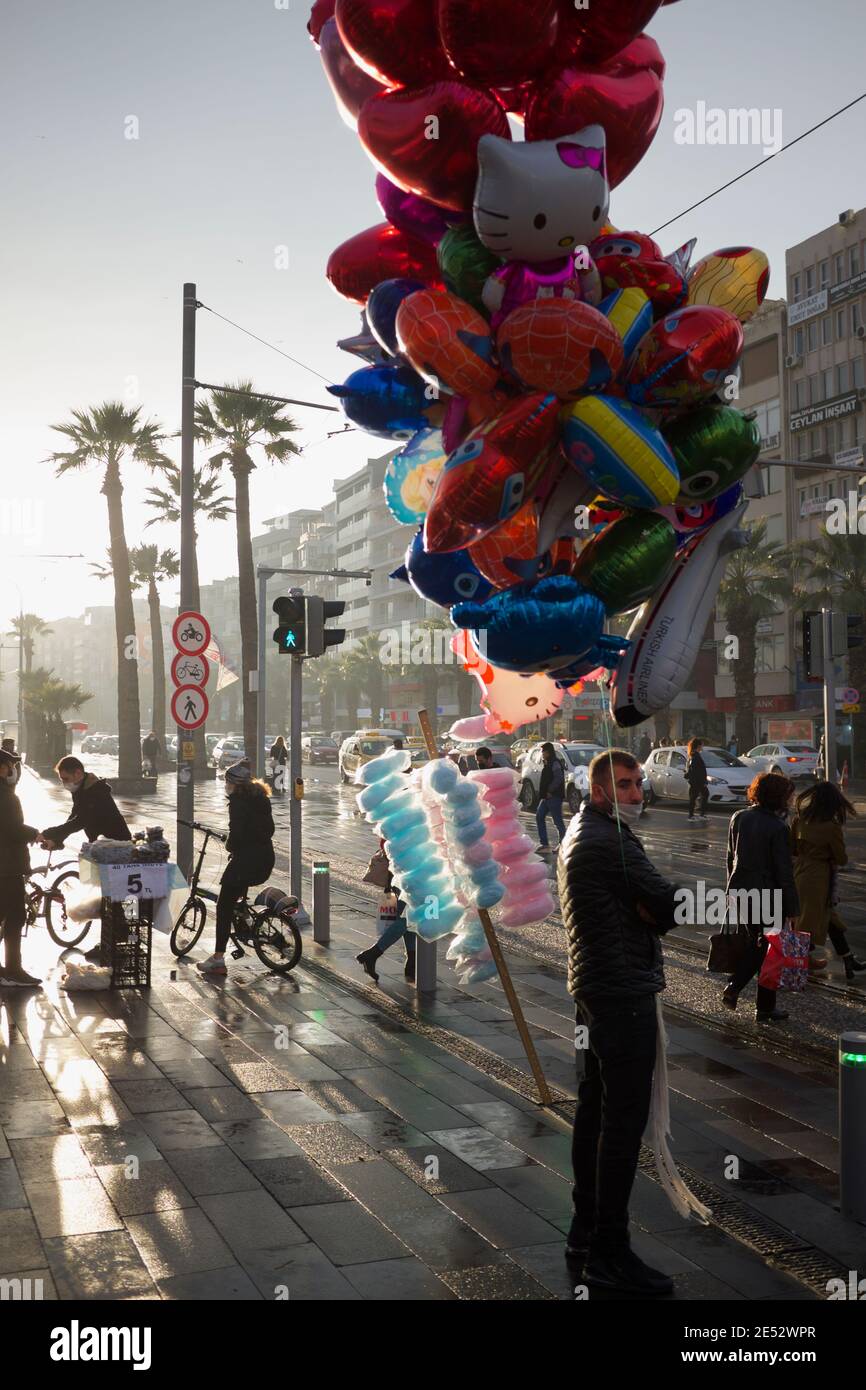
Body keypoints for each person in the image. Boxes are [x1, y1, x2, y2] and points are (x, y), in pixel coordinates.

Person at [559, 749, 680, 1297]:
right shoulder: (611, 842)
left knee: (594, 1112)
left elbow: (651, 904)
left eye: (639, 784)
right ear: (602, 790)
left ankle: (584, 1234)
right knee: (619, 1124)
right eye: (628, 786)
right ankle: (609, 1252)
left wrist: (647, 907)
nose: (638, 794)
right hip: (621, 995)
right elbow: (667, 903)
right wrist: (651, 908)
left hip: (592, 991)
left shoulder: (580, 830)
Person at [722, 772, 799, 1023]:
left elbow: (730, 858)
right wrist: (793, 907)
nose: (790, 800)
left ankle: (746, 994)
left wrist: (729, 890)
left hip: (742, 890)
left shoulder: (739, 817)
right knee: (769, 949)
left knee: (756, 943)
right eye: (788, 795)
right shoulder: (778, 827)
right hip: (769, 894)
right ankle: (752, 998)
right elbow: (784, 871)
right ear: (778, 797)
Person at [197, 761, 275, 978]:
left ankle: (218, 959)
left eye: (227, 781)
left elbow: (237, 833)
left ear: (234, 784)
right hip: (265, 858)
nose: (225, 785)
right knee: (235, 894)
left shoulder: (238, 802)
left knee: (223, 906)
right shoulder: (261, 798)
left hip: (247, 861)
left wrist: (230, 845)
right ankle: (243, 922)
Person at [790, 782, 866, 981]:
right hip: (819, 876)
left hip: (800, 872)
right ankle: (797, 965)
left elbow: (793, 849)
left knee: (828, 918)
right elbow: (841, 858)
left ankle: (848, 959)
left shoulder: (800, 819)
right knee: (809, 922)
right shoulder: (831, 827)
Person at [0, 748, 42, 988]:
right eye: (9, 765)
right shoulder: (6, 796)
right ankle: (13, 970)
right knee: (16, 917)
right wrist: (35, 834)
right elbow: (13, 829)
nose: (12, 770)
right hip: (7, 866)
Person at [356, 840, 416, 984]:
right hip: (408, 873)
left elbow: (386, 843)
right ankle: (372, 953)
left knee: (409, 917)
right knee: (408, 919)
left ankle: (412, 962)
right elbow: (387, 844)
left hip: (402, 871)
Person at [40, 756, 131, 848]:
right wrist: (56, 840)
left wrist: (49, 834)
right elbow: (74, 816)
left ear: (78, 773)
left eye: (66, 779)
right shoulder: (80, 789)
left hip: (116, 843)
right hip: (101, 842)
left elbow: (81, 821)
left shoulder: (96, 791)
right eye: (62, 780)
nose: (64, 783)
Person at [536, 742, 566, 854]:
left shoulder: (555, 763)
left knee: (557, 821)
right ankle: (544, 844)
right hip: (546, 797)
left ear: (548, 752)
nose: (542, 753)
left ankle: (563, 844)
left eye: (543, 751)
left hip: (554, 797)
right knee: (539, 816)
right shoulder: (547, 763)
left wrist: (550, 790)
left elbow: (559, 778)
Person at [685, 737, 709, 822]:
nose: (702, 747)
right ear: (698, 746)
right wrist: (701, 781)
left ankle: (701, 814)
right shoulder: (694, 755)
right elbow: (694, 770)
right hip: (696, 781)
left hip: (699, 780)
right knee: (694, 797)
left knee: (704, 794)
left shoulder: (695, 755)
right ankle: (691, 816)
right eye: (701, 745)